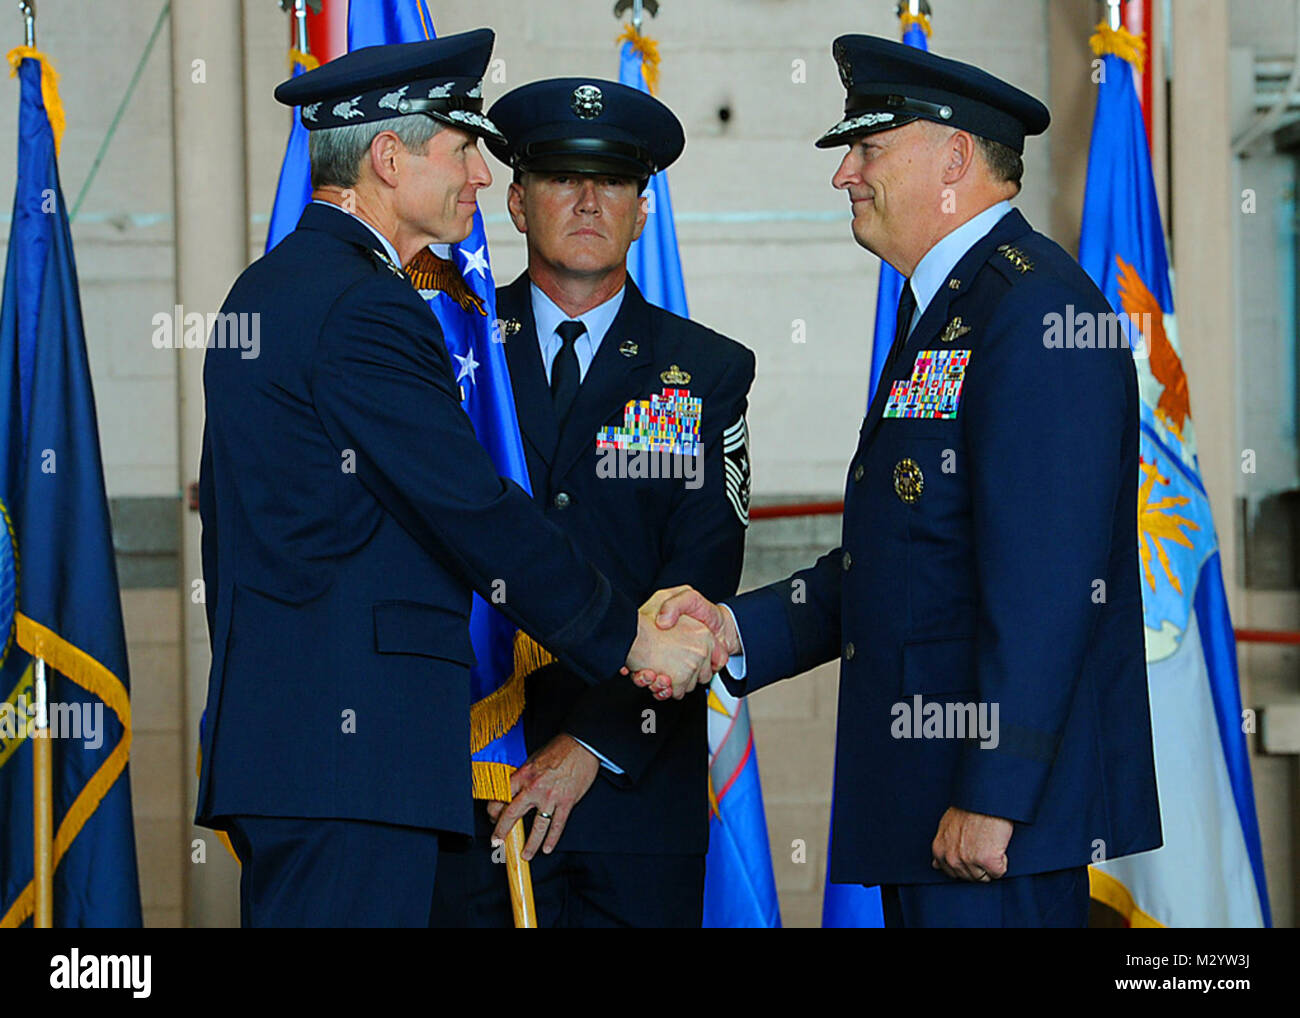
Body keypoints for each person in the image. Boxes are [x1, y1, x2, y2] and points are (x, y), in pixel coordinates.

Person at [194, 30, 714, 928]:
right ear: (388, 158)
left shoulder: (275, 288)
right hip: (349, 766)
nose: (481, 174)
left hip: (310, 756)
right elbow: (470, 507)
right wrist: (628, 636)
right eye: (462, 147)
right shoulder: (365, 306)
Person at [643, 35, 1161, 928]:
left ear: (954, 157)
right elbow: (904, 561)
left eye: (869, 148)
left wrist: (996, 791)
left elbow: (1048, 583)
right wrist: (734, 629)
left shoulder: (1039, 312)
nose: (845, 173)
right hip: (930, 804)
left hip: (996, 824)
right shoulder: (954, 310)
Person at [429, 78, 755, 928]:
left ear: (642, 209)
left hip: (633, 798)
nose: (585, 200)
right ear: (515, 200)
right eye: (560, 177)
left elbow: (702, 577)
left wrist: (590, 746)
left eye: (610, 179)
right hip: (468, 784)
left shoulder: (708, 371)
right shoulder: (447, 353)